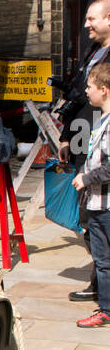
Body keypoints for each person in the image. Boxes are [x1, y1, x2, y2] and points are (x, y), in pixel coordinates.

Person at [58, 0, 110, 302]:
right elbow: (77, 95)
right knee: (87, 217)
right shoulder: (92, 52)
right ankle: (99, 279)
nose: (86, 25)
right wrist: (65, 136)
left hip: (104, 141)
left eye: (92, 19)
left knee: (99, 217)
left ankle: (101, 283)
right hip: (83, 138)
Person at [71, 60, 110, 328]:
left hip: (106, 207)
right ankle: (106, 309)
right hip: (96, 204)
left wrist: (85, 179)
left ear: (104, 89)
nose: (86, 91)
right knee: (102, 261)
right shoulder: (102, 120)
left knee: (106, 261)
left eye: (90, 86)